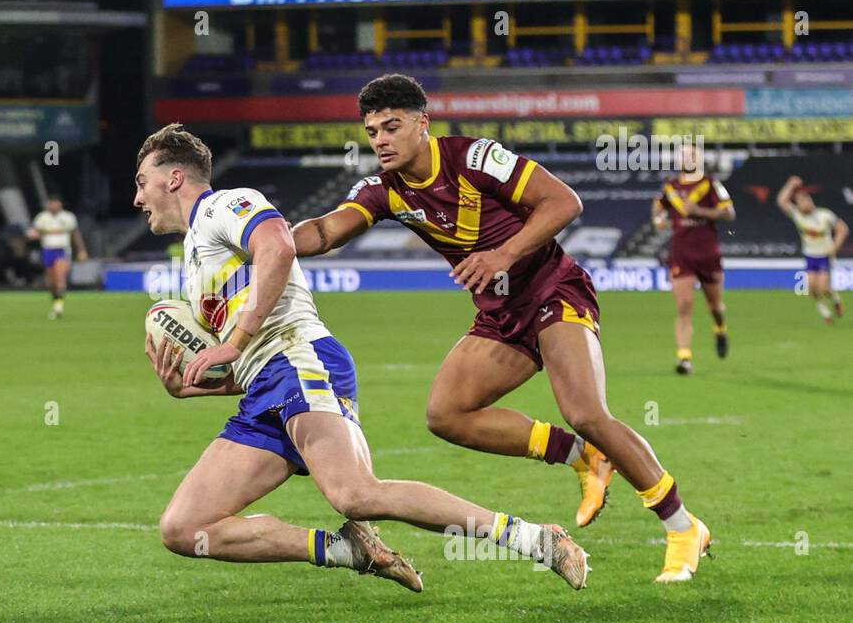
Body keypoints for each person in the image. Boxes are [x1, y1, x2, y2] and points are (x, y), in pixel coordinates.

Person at [135, 123, 591, 593]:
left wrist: (235, 339)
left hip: (302, 360)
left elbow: (278, 243)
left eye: (141, 182)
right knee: (185, 528)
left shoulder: (222, 207)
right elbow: (245, 359)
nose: (137, 198)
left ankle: (537, 539)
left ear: (173, 178)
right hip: (266, 384)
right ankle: (349, 550)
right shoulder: (195, 255)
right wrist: (196, 382)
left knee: (356, 493)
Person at [290, 75, 710, 584]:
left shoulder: (474, 157)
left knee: (585, 411)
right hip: (501, 315)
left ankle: (683, 526)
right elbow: (325, 231)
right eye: (372, 130)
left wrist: (503, 254)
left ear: (423, 124)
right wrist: (262, 238)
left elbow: (564, 202)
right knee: (446, 414)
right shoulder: (383, 191)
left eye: (392, 126)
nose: (380, 140)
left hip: (554, 291)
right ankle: (582, 455)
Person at [651, 142, 735, 374]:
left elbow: (729, 212)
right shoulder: (671, 187)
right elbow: (658, 206)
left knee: (715, 306)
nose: (687, 159)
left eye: (692, 156)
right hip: (681, 254)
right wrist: (658, 220)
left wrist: (700, 212)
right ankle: (684, 359)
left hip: (708, 253)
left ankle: (720, 328)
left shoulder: (710, 184)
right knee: (684, 306)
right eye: (684, 156)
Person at [777, 175, 847, 324]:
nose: (803, 204)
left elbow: (842, 229)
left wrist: (835, 246)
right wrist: (790, 185)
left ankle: (836, 299)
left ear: (810, 201)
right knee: (811, 289)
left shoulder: (824, 215)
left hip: (824, 255)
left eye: (805, 200)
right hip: (810, 256)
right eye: (799, 202)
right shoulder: (798, 215)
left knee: (823, 288)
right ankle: (826, 314)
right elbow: (781, 201)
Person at [27, 197, 88, 319]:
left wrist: (81, 250)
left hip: (62, 250)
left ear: (60, 204)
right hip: (47, 250)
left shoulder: (68, 217)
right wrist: (32, 235)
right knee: (51, 283)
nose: (54, 205)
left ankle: (59, 307)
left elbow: (75, 235)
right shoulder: (42, 218)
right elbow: (34, 232)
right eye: (52, 203)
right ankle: (56, 303)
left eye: (56, 203)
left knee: (60, 277)